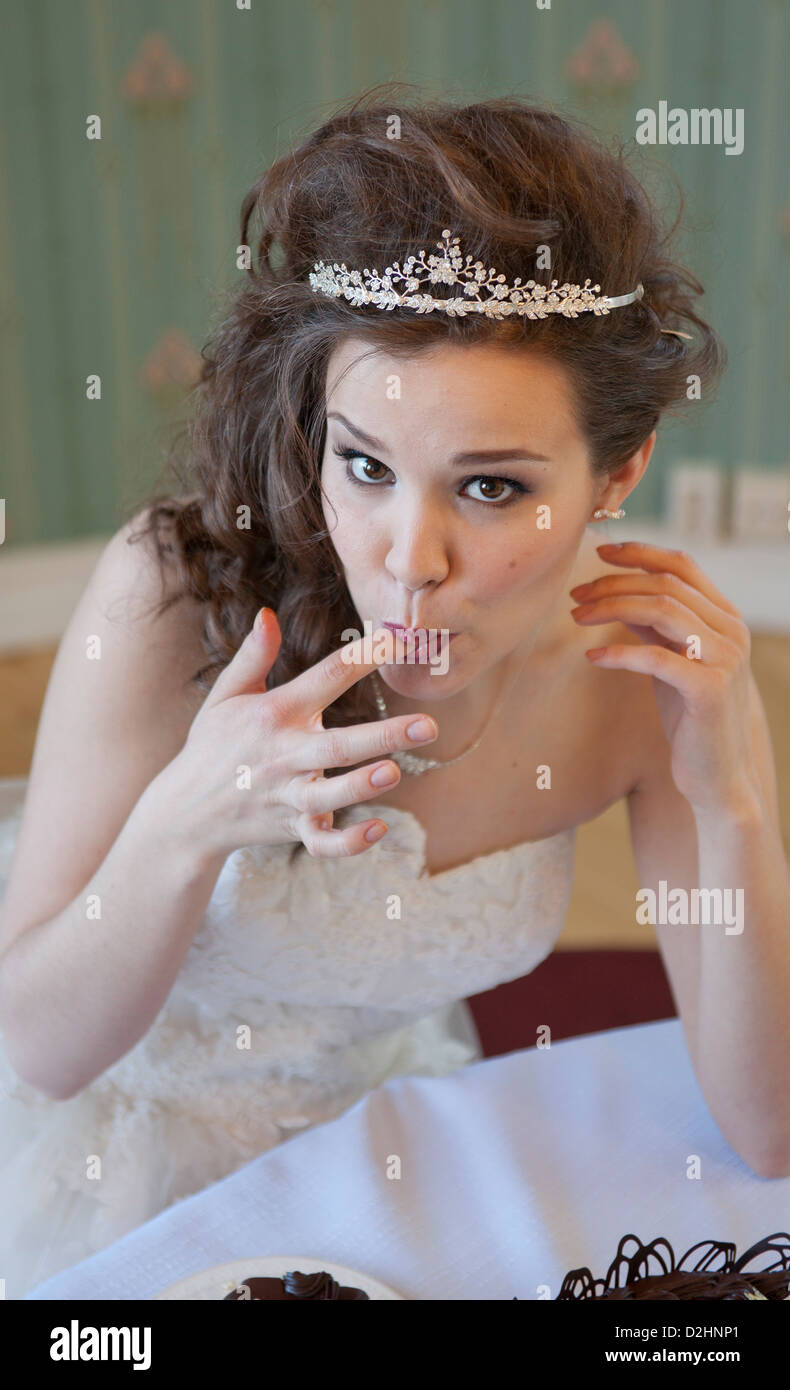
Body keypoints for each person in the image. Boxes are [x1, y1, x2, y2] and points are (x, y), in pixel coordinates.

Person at [0, 87, 786, 1301]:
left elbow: (765, 1132)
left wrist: (732, 797)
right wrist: (188, 820)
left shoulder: (632, 684)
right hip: (102, 1145)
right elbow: (42, 1053)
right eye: (364, 464)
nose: (408, 557)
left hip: (365, 1162)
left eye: (490, 489)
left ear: (617, 470)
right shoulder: (168, 603)